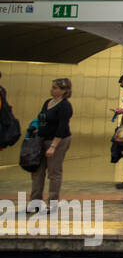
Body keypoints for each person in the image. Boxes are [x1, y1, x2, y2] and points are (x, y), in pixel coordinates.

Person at [29, 77, 74, 213]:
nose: (52, 90)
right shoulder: (48, 102)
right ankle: (35, 201)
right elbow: (42, 117)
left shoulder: (65, 106)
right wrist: (38, 129)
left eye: (55, 88)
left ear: (64, 90)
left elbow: (62, 127)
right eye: (52, 87)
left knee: (54, 172)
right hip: (42, 139)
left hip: (58, 140)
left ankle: (52, 202)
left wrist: (53, 146)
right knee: (37, 171)